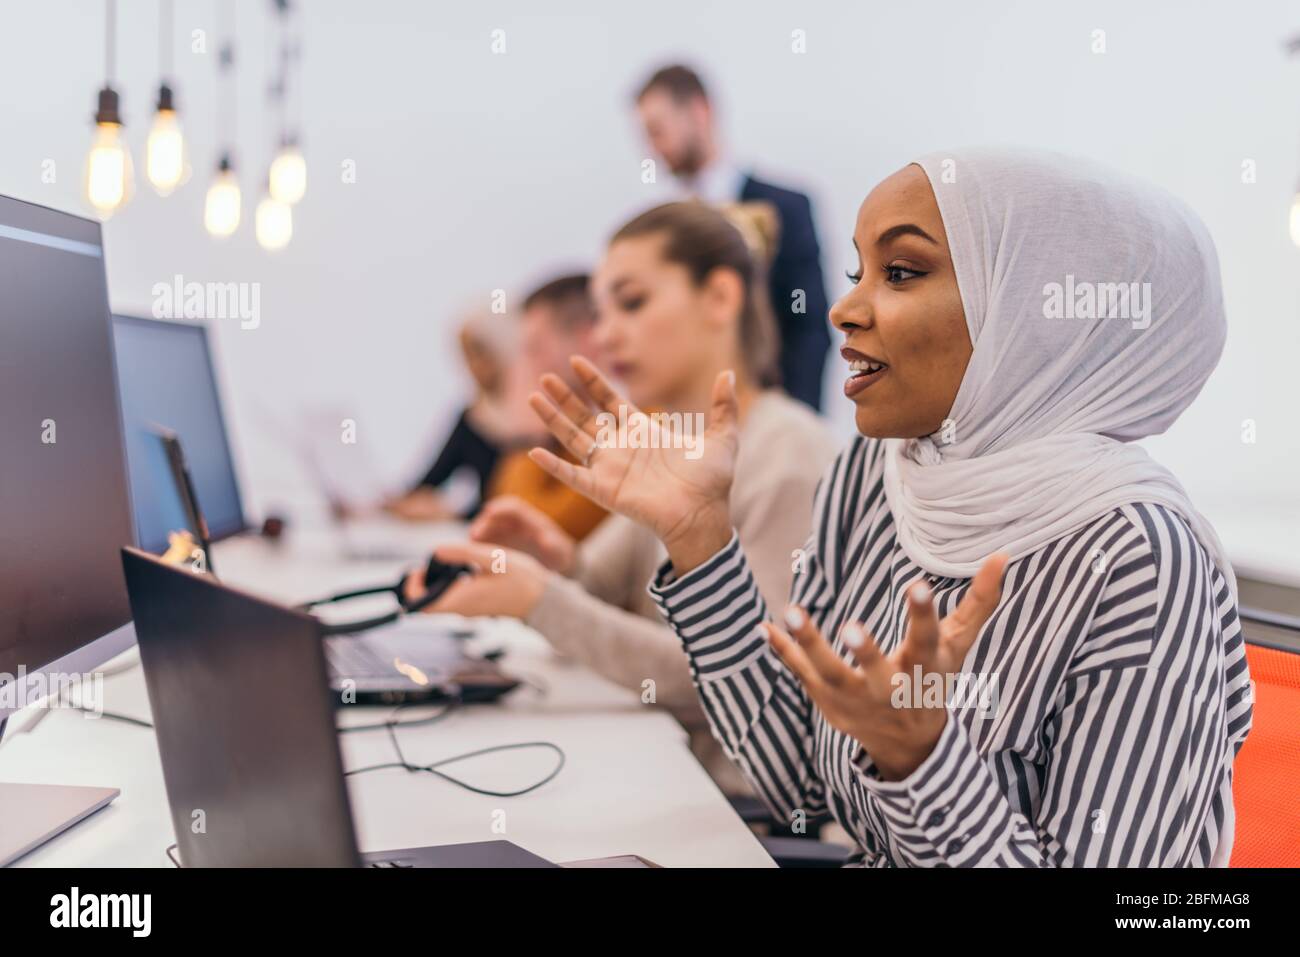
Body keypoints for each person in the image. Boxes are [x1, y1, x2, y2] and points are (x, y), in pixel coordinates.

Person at [519, 150, 1253, 866]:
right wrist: (700, 539)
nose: (843, 308)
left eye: (901, 272)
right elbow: (801, 785)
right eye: (855, 271)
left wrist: (921, 761)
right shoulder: (877, 477)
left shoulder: (1140, 558)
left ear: (1032, 310)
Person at [409, 202, 838, 793]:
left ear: (719, 297)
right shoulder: (669, 438)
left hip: (729, 802)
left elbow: (729, 677)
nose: (607, 334)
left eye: (632, 303)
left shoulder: (788, 454)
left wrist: (538, 598)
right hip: (657, 766)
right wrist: (557, 562)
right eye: (602, 312)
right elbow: (605, 589)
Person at [635, 64, 831, 412]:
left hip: (771, 418)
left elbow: (809, 325)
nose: (652, 149)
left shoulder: (786, 206)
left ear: (699, 111)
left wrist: (797, 420)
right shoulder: (663, 230)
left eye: (657, 130)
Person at [485, 274, 610, 541]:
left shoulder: (640, 421)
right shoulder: (572, 430)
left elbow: (524, 530)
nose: (525, 366)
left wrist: (525, 438)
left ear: (586, 338)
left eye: (534, 347)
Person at [385, 311, 530, 521]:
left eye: (480, 353)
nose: (474, 367)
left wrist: (450, 514)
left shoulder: (538, 422)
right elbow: (427, 483)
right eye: (466, 357)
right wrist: (380, 506)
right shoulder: (473, 418)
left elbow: (526, 506)